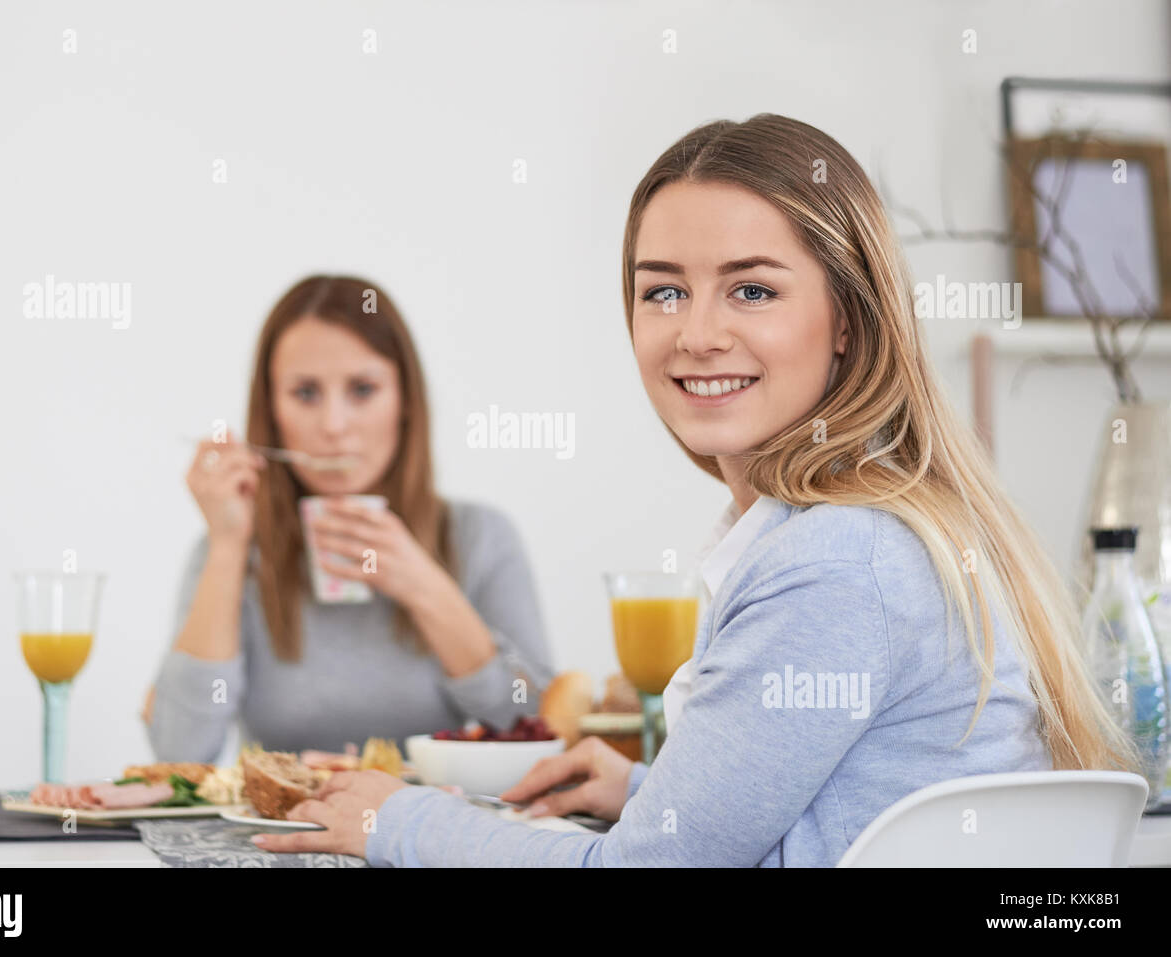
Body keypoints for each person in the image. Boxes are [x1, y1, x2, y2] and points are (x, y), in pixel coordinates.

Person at [252, 115, 1138, 866]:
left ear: (847, 321)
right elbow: (813, 820)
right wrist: (644, 788)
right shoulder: (854, 530)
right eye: (663, 292)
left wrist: (392, 819)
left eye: (751, 289)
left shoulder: (837, 558)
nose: (697, 333)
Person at [143, 275, 555, 761]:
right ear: (271, 411)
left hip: (430, 833)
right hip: (281, 833)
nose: (334, 427)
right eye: (305, 393)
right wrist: (229, 546)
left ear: (404, 402)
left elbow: (539, 729)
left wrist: (425, 587)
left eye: (362, 389)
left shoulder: (480, 536)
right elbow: (178, 756)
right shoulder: (227, 551)